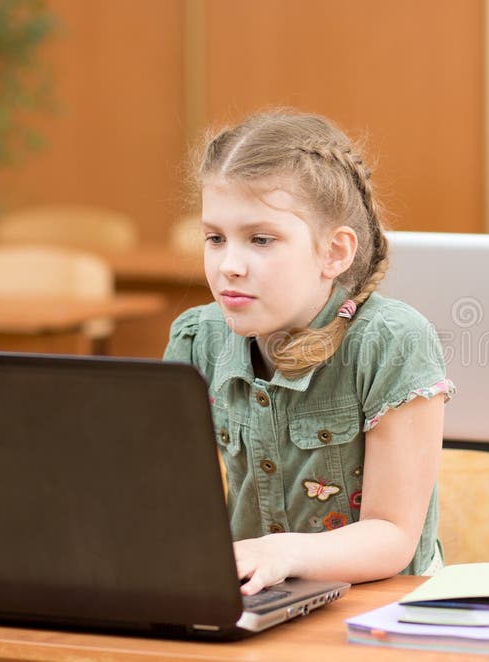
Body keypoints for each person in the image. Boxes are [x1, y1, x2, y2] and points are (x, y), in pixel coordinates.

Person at [164, 110, 454, 595]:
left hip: (381, 613)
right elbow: (163, 499)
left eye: (261, 239)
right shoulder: (197, 337)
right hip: (256, 604)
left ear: (334, 253)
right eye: (215, 238)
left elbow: (394, 537)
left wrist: (282, 552)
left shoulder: (393, 341)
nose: (229, 265)